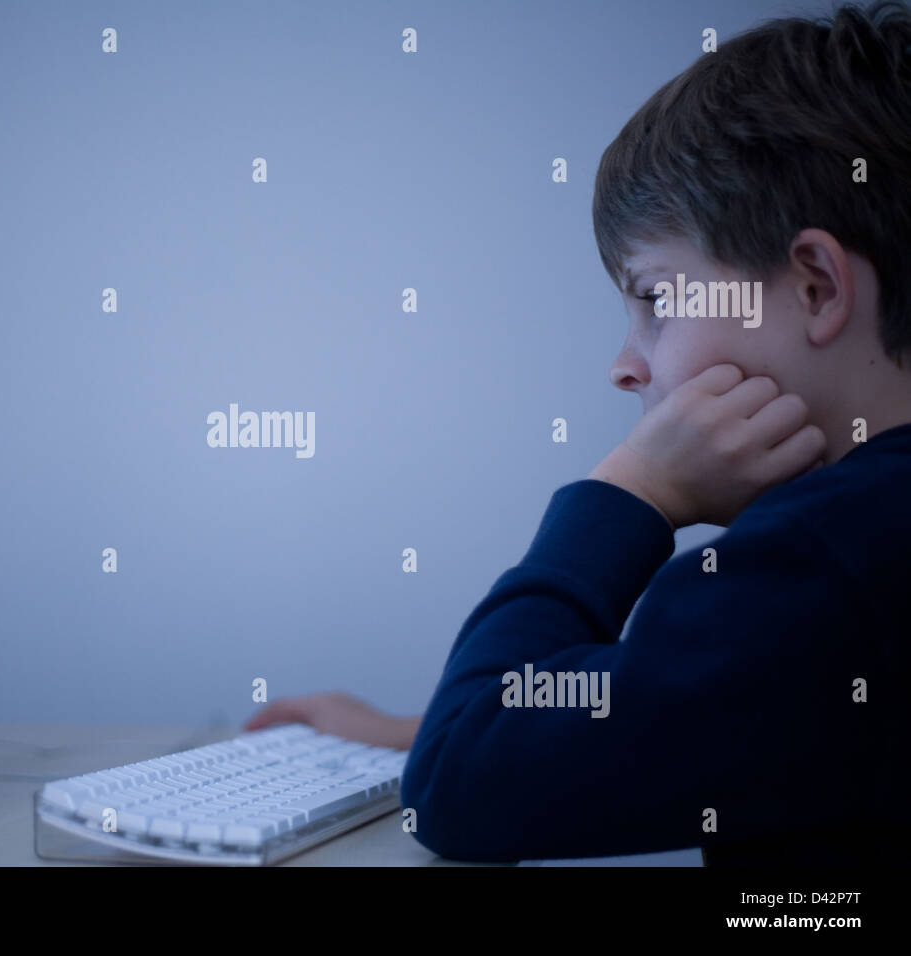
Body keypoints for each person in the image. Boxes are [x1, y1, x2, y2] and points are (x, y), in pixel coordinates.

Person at [247, 0, 911, 865]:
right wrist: (414, 728)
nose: (626, 366)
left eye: (656, 299)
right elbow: (703, 709)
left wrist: (628, 494)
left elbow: (461, 786)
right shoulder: (860, 558)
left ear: (816, 288)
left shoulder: (820, 561)